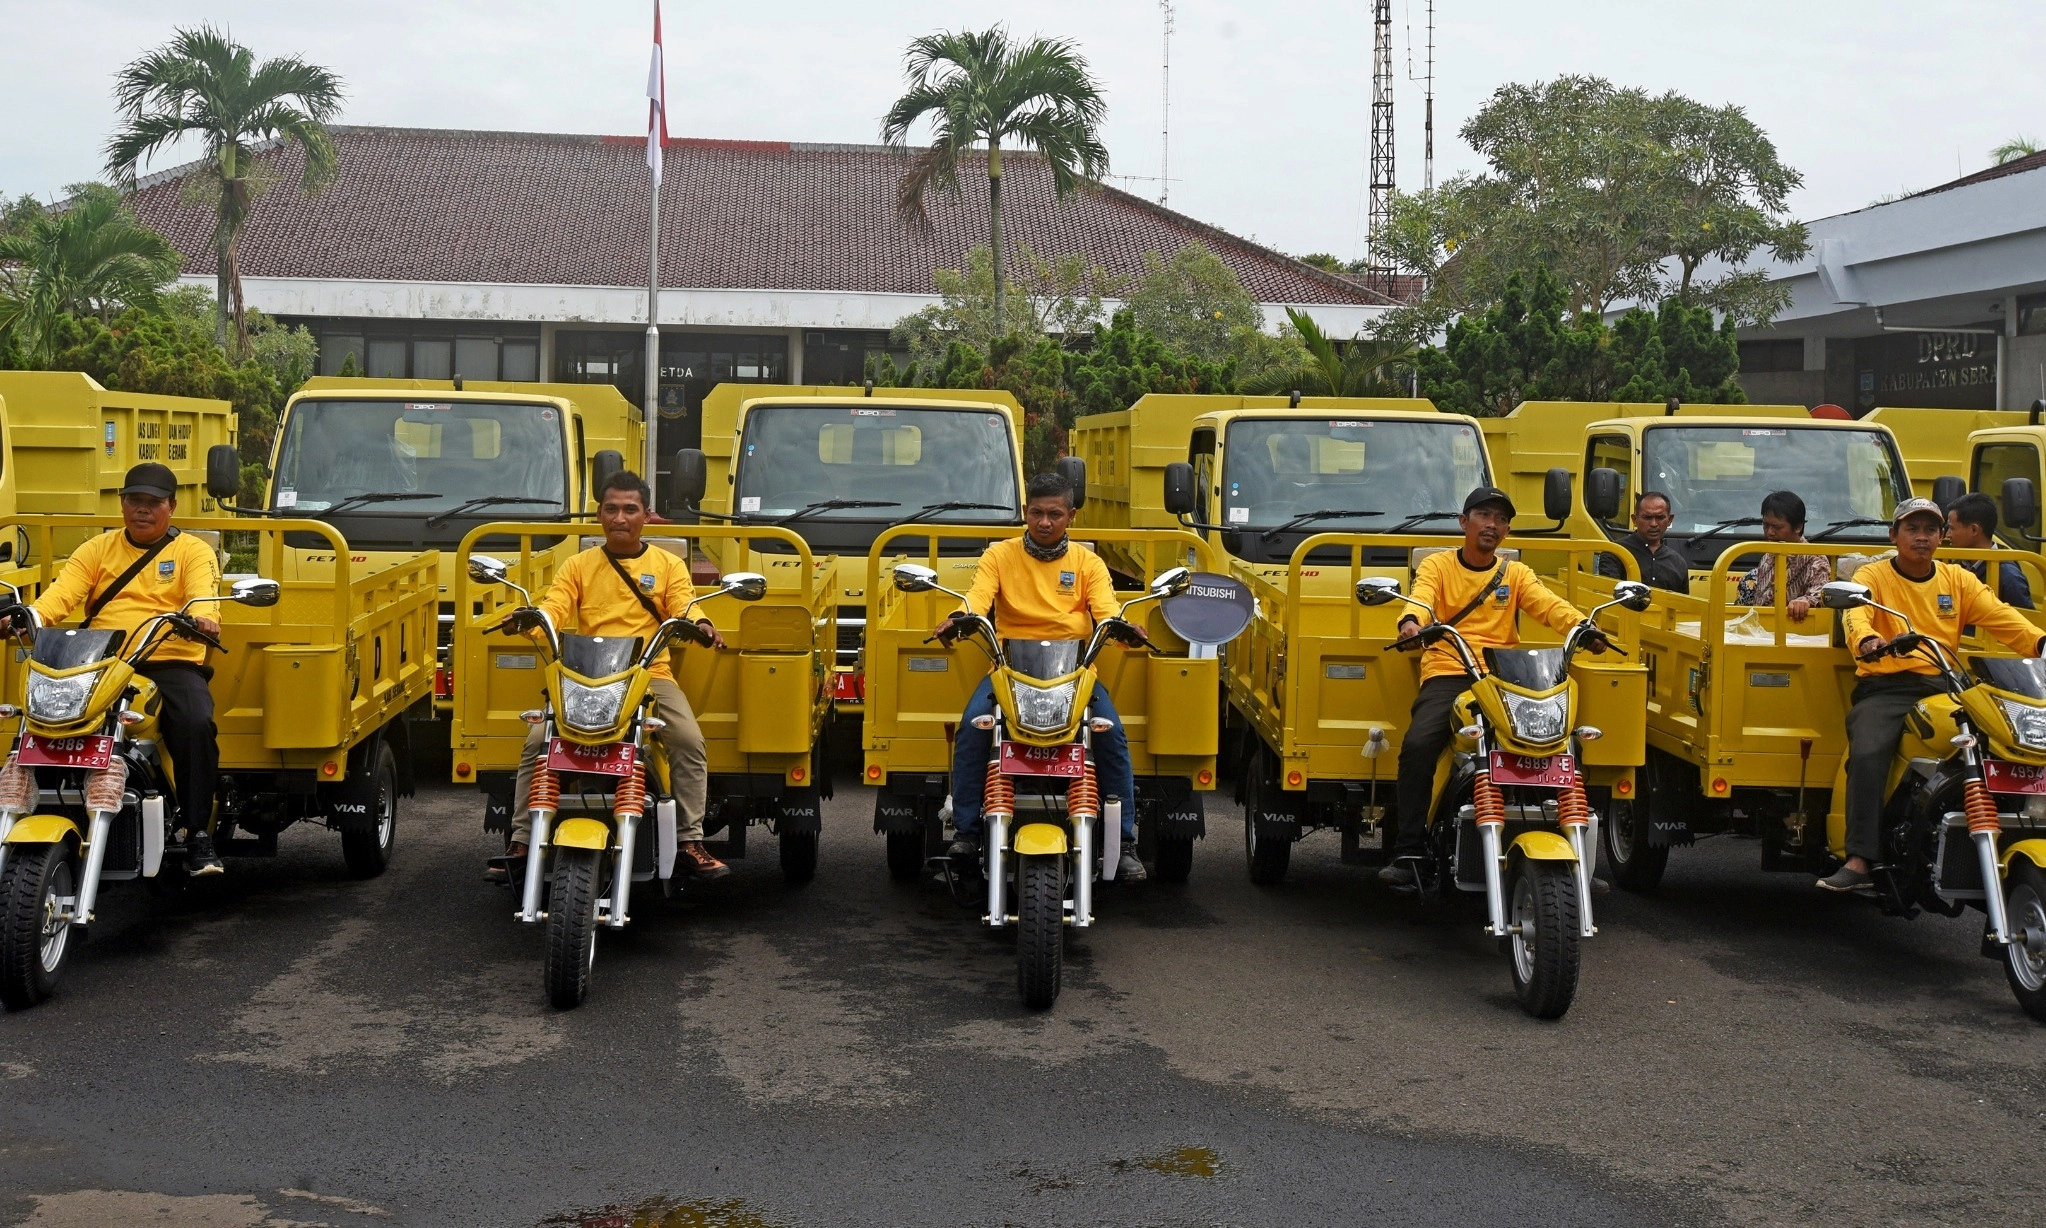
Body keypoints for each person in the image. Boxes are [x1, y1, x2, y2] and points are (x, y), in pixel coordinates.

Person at [489, 470, 728, 882]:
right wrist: (529, 619)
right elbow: (554, 606)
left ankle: (690, 842)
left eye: (630, 509)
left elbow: (685, 605)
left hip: (649, 674)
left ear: (646, 515)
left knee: (688, 741)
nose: (620, 518)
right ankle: (522, 839)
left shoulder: (668, 565)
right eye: (612, 509)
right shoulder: (578, 565)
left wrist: (701, 623)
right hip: (586, 677)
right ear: (599, 514)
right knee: (536, 744)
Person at [1380, 486, 1607, 887]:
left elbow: (1548, 604)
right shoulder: (1437, 565)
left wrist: (1581, 626)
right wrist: (1411, 623)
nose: (1493, 525)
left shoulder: (1515, 573)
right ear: (1464, 522)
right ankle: (1409, 847)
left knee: (1565, 742)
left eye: (1501, 519)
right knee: (1418, 745)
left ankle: (1572, 844)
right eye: (1484, 515)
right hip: (1450, 670)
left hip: (1503, 678)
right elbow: (1421, 598)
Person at [1821, 497, 2046, 892]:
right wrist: (1869, 639)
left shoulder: (1958, 580)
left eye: (1930, 530)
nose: (1921, 538)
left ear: (1942, 537)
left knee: (2007, 739)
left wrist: (2041, 644)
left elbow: (2002, 616)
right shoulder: (1872, 577)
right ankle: (1858, 859)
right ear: (1894, 535)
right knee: (1869, 752)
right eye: (1912, 529)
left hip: (1944, 685)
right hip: (1886, 688)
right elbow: (1855, 614)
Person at [9, 463, 225, 874]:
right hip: (102, 662)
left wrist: (203, 617)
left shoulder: (192, 551)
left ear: (171, 507)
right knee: (36, 715)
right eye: (134, 501)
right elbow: (59, 596)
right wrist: (30, 617)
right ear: (122, 504)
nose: (142, 510)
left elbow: (203, 593)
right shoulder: (96, 549)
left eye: (153, 502)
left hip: (166, 659)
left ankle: (198, 834)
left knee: (196, 721)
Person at [940, 471, 1148, 882]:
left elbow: (1106, 610)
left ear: (1071, 515)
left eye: (1055, 513)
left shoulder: (1088, 562)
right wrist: (958, 619)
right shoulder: (999, 555)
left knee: (1112, 733)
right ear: (1025, 512)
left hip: (1074, 674)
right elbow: (977, 599)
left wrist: (1124, 628)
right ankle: (965, 834)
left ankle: (1123, 844)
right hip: (1009, 670)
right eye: (1037, 513)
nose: (1045, 522)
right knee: (971, 728)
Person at [1735, 490, 1832, 621]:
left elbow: (1821, 593)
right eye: (1765, 525)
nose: (1769, 532)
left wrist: (1804, 602)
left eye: (1777, 527)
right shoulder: (1769, 553)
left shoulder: (1815, 559)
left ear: (1798, 527)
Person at [1945, 492, 2033, 609]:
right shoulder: (1957, 566)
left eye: (1951, 528)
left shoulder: (2008, 576)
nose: (1947, 535)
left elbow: (2026, 623)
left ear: (1974, 530)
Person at [1596, 491, 1688, 592]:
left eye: (1660, 517)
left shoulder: (1678, 563)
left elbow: (1682, 605)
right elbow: (1609, 596)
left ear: (1670, 520)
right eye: (1647, 517)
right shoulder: (1615, 553)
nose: (1654, 524)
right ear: (1634, 519)